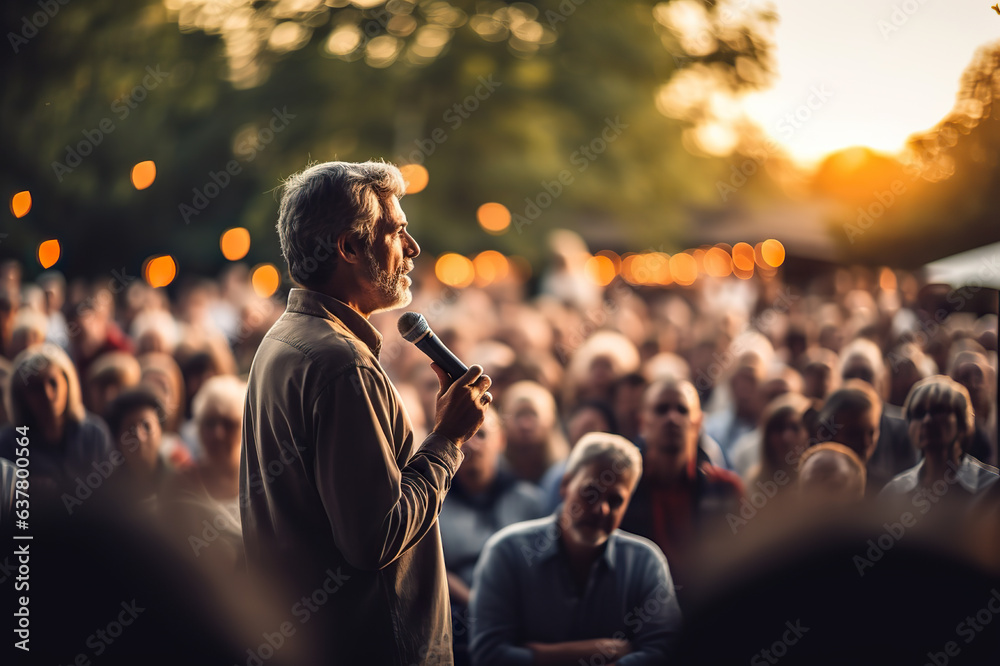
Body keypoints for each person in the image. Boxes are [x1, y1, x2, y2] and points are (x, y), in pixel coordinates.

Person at [240, 160, 492, 666]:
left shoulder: (283, 340)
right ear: (348, 247)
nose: (413, 248)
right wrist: (448, 439)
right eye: (396, 231)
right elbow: (374, 539)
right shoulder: (341, 363)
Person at [469, 432, 681, 665]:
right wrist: (597, 651)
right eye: (591, 493)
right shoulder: (506, 552)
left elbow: (666, 653)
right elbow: (487, 655)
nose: (601, 509)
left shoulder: (645, 562)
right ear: (566, 484)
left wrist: (539, 654)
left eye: (615, 501)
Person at [620, 378, 742, 605]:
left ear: (698, 422)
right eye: (661, 409)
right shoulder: (622, 490)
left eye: (682, 410)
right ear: (642, 422)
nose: (672, 418)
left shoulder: (726, 490)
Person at [438, 409, 546, 664]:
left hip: (520, 612)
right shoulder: (434, 504)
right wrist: (477, 602)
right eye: (463, 437)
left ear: (502, 441)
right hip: (457, 616)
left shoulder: (529, 500)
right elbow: (433, 566)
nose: (472, 446)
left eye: (481, 435)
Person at [880, 376, 998, 498]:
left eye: (938, 410)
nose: (927, 420)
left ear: (962, 422)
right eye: (919, 413)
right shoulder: (895, 492)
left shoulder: (991, 488)